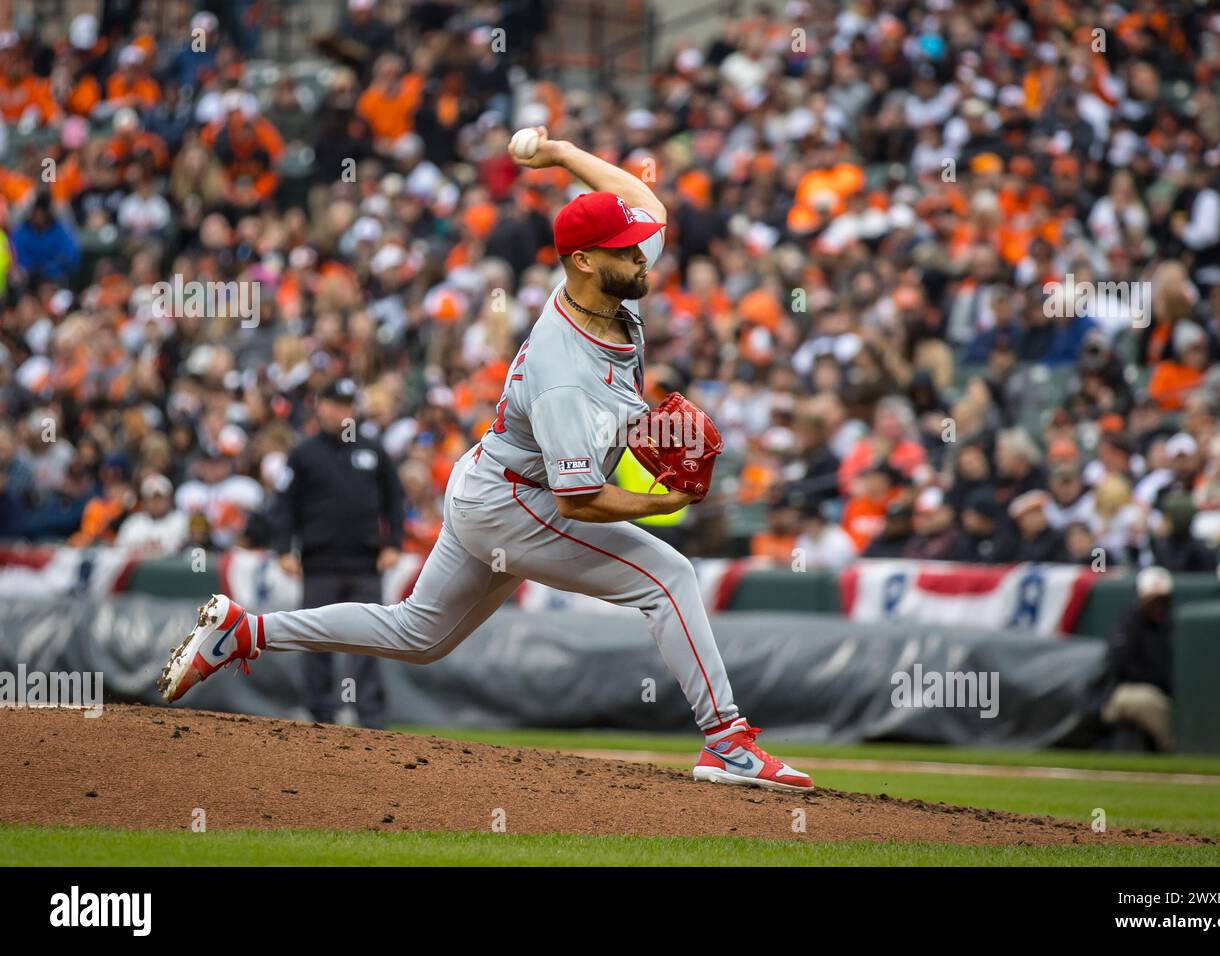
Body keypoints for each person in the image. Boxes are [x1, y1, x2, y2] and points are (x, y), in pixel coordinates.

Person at [159, 130, 814, 793]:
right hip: (517, 502)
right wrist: (663, 505)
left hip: (488, 478)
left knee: (418, 633)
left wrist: (560, 155)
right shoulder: (564, 371)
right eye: (626, 252)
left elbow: (641, 199)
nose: (646, 260)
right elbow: (578, 501)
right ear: (584, 262)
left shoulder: (610, 279)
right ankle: (727, 741)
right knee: (668, 574)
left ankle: (244, 633)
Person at [269, 378, 405, 729]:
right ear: (320, 406)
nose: (341, 411)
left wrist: (394, 544)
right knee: (316, 639)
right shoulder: (304, 453)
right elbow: (284, 505)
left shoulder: (373, 451)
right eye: (334, 403)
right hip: (319, 564)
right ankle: (320, 713)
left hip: (364, 564)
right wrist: (283, 549)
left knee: (371, 641)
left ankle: (371, 716)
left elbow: (395, 500)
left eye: (347, 404)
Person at [1100, 566, 1174, 751]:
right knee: (1150, 702)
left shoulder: (1171, 626)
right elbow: (1118, 665)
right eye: (1153, 600)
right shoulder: (1129, 624)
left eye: (1162, 600)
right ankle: (1175, 749)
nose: (1158, 606)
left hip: (1163, 691)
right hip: (1125, 691)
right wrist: (1156, 680)